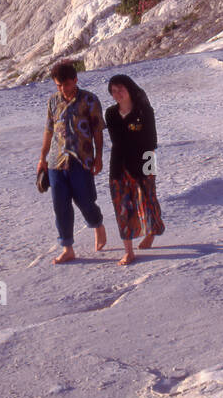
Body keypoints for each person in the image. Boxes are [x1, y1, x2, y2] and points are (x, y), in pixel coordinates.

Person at [38, 61, 107, 265]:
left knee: (85, 200)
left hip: (81, 159)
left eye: (65, 84)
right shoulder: (53, 101)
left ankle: (97, 225)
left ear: (75, 80)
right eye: (58, 85)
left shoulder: (90, 100)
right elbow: (49, 130)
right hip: (56, 161)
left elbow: (97, 131)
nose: (62, 89)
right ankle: (67, 248)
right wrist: (42, 158)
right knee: (60, 205)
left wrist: (99, 157)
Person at [104, 74, 165, 266]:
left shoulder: (145, 111)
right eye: (113, 91)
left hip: (145, 162)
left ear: (129, 89)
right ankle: (128, 251)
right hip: (119, 166)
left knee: (148, 200)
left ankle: (153, 230)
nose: (117, 94)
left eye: (120, 89)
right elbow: (118, 141)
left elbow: (151, 141)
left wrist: (149, 169)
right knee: (122, 208)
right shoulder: (111, 114)